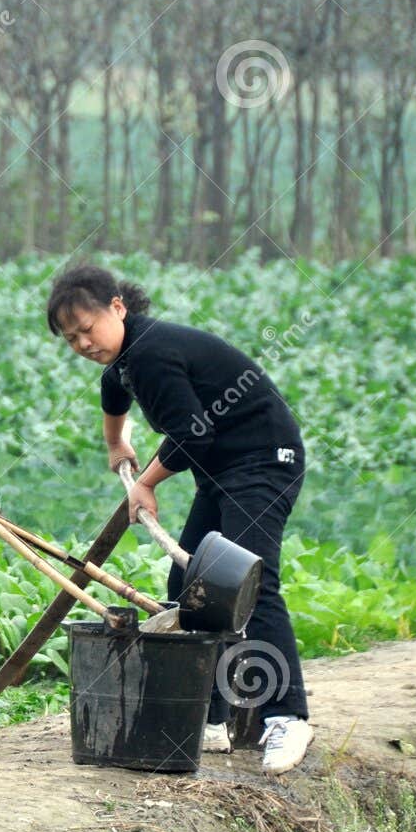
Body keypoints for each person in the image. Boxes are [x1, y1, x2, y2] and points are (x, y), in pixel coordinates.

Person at [45, 264, 314, 776]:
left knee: (247, 583)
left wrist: (145, 482)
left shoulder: (151, 355)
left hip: (263, 459)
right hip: (223, 471)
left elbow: (194, 436)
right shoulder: (127, 357)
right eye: (71, 337)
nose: (83, 342)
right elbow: (113, 387)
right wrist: (114, 440)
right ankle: (208, 717)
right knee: (189, 581)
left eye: (88, 327)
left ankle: (287, 715)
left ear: (118, 308)